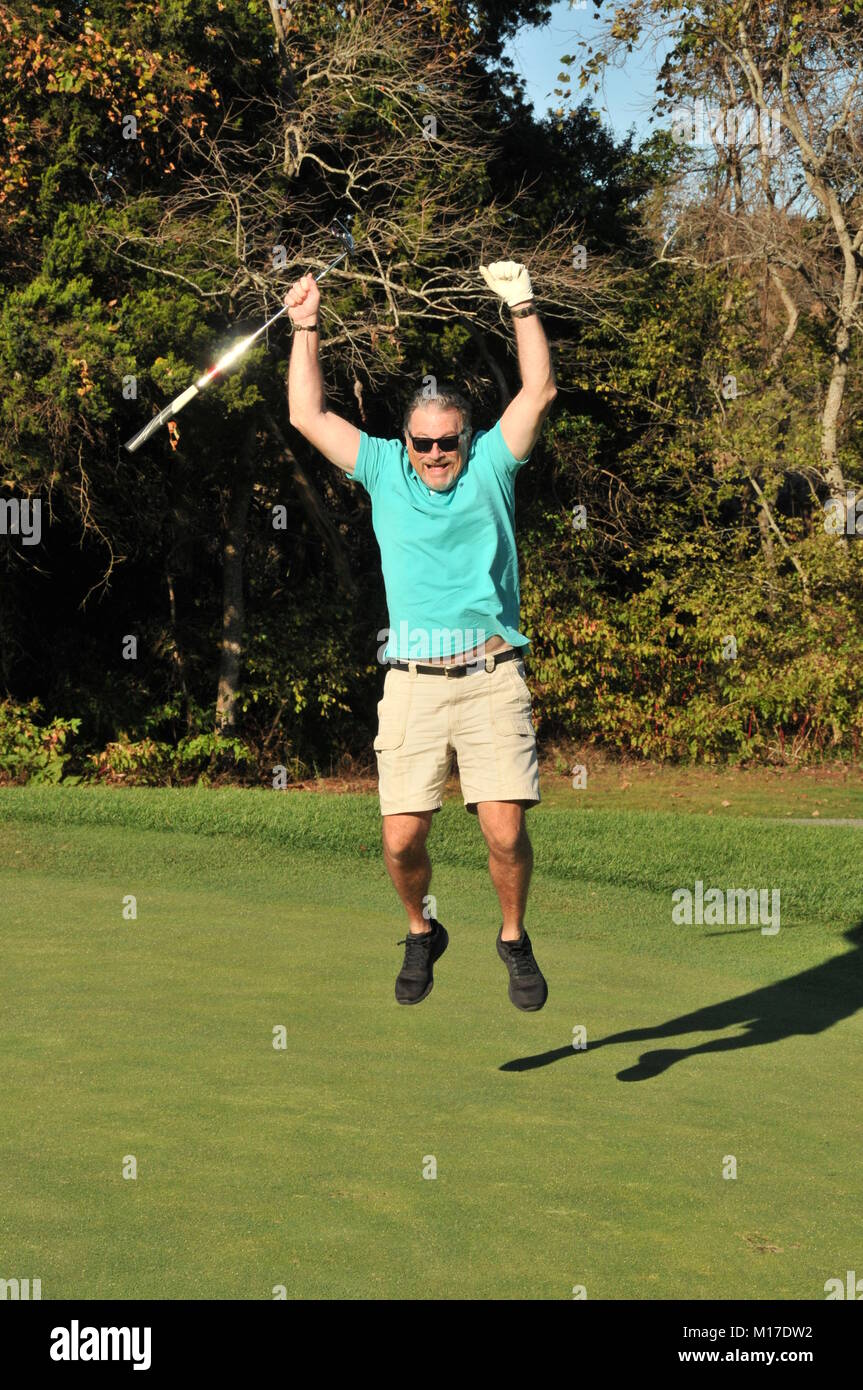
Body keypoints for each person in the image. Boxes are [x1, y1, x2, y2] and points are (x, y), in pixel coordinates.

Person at [284, 259, 556, 1012]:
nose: (434, 455)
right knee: (402, 841)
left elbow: (537, 390)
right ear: (403, 440)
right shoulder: (382, 469)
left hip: (491, 679)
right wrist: (306, 326)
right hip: (409, 683)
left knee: (503, 832)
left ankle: (510, 936)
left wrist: (522, 305)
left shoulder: (493, 467)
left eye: (446, 442)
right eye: (421, 443)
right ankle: (419, 931)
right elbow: (308, 416)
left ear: (467, 437)